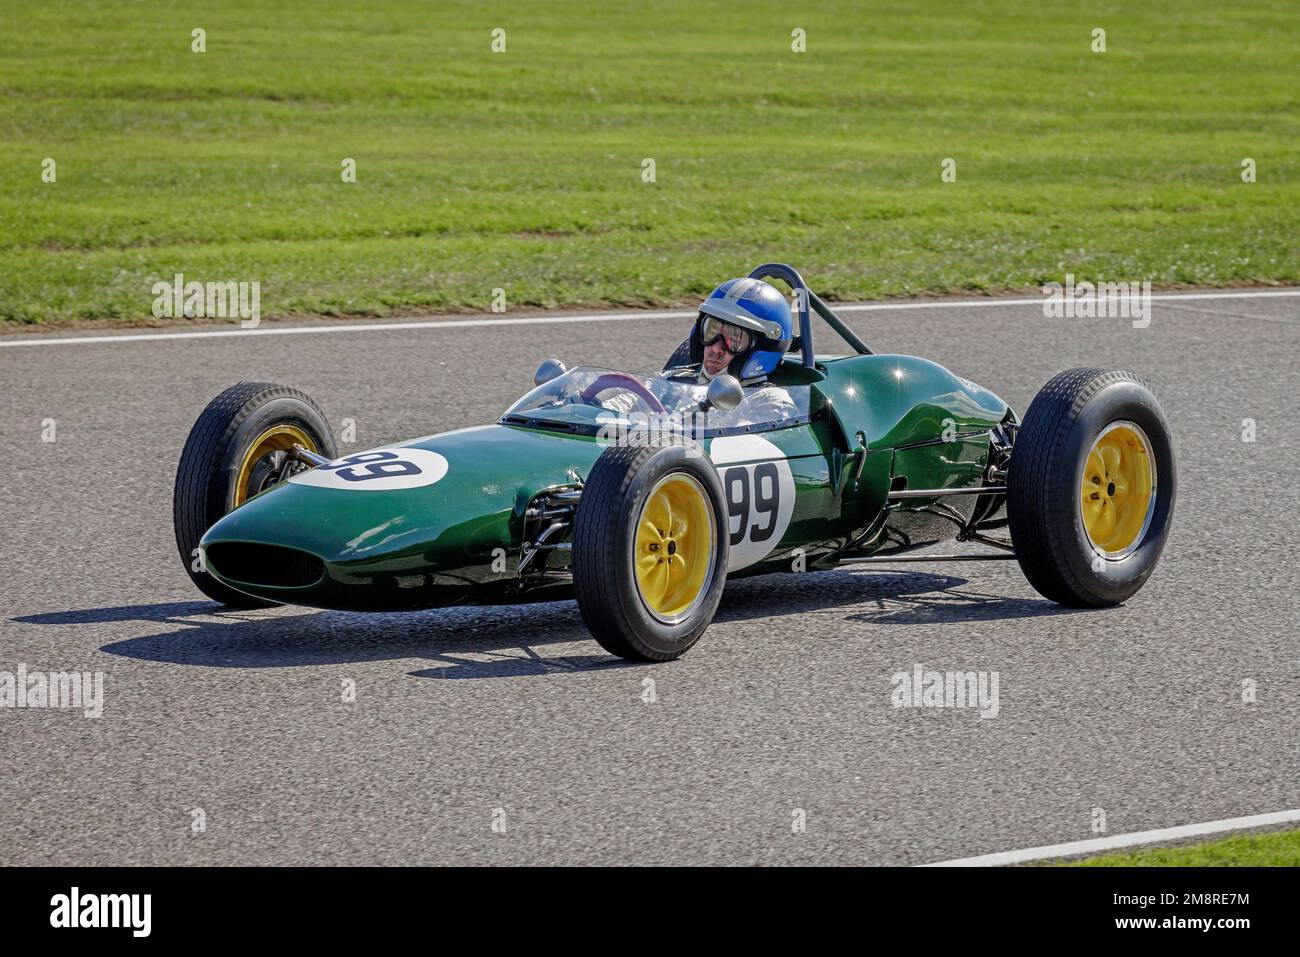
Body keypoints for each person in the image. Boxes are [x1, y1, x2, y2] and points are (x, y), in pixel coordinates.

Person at [681, 277, 799, 423]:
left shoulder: (772, 405)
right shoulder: (677, 382)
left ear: (761, 349)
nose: (716, 349)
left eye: (734, 341)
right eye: (711, 332)